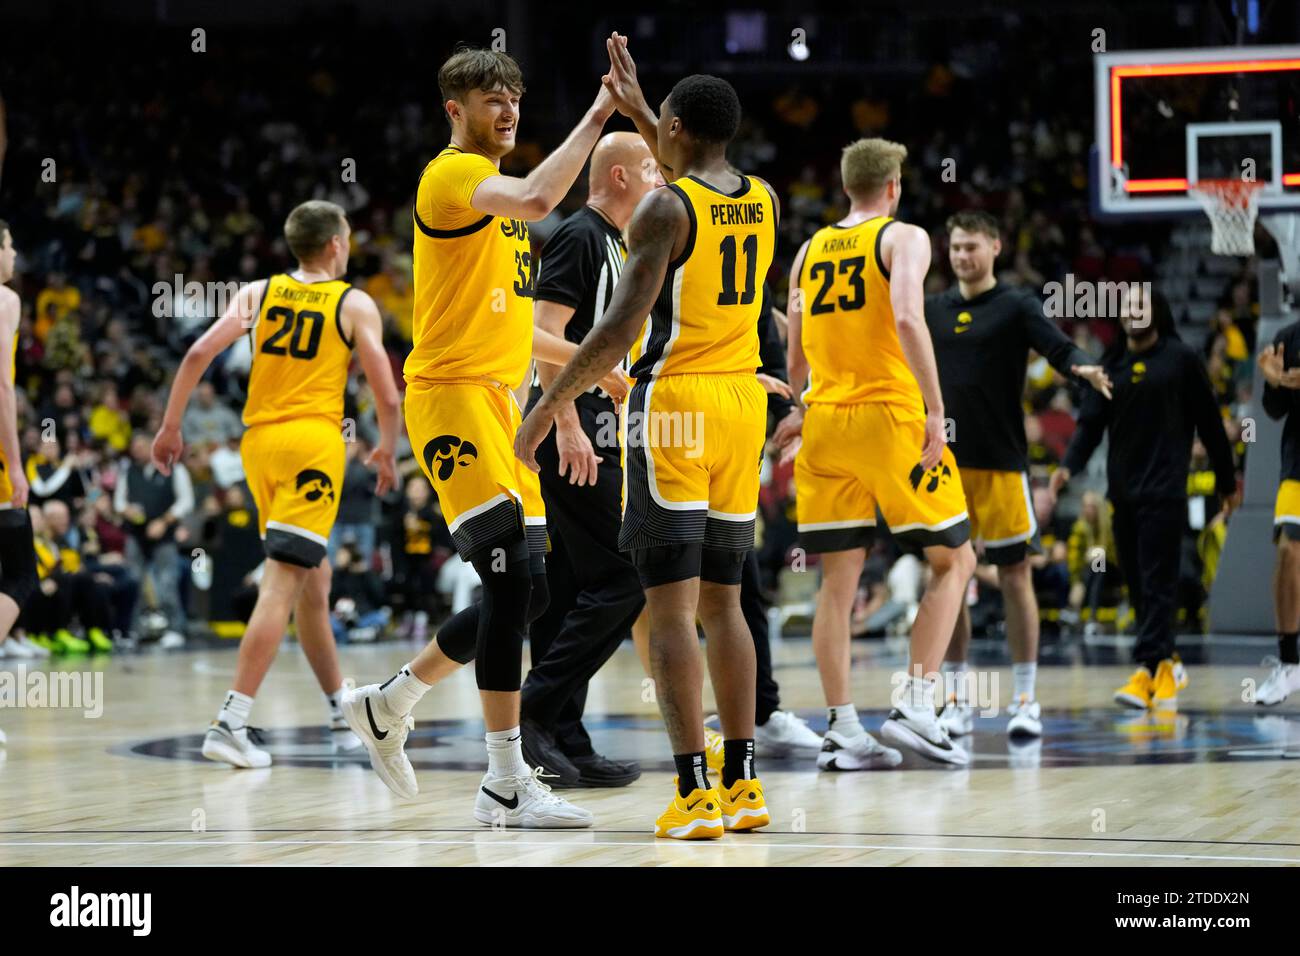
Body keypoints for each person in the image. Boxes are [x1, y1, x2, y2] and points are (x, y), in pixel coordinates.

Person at [341, 41, 627, 830]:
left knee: (530, 590)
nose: (506, 111)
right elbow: (541, 197)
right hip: (449, 398)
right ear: (455, 111)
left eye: (514, 99)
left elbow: (517, 334)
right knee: (509, 584)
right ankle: (504, 779)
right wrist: (601, 112)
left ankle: (390, 702)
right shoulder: (454, 176)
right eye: (490, 99)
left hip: (499, 404)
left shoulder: (501, 221)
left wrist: (594, 366)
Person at [518, 62, 779, 838]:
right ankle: (744, 782)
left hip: (674, 408)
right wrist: (637, 103)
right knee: (726, 602)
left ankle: (693, 791)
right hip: (741, 408)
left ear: (671, 132)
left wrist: (549, 408)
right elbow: (688, 174)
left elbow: (620, 329)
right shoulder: (760, 196)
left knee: (668, 607)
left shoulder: (662, 209)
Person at [151, 199, 401, 767]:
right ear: (336, 244)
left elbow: (196, 352)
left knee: (315, 581)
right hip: (312, 447)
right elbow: (387, 394)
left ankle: (342, 709)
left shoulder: (259, 293)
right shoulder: (354, 302)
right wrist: (386, 448)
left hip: (258, 447)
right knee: (284, 583)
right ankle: (230, 723)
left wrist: (170, 427)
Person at [775, 138, 975, 767]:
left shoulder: (808, 251)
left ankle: (842, 729)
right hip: (889, 419)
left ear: (845, 186)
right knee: (955, 560)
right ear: (893, 187)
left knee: (837, 585)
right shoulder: (904, 237)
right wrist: (936, 411)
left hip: (826, 423)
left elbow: (796, 347)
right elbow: (910, 320)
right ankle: (917, 705)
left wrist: (801, 409)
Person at [925, 210, 1111, 739]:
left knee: (1015, 576)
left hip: (1004, 464)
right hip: (945, 466)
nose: (962, 255)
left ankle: (1026, 699)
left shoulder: (1016, 305)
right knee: (949, 579)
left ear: (996, 246)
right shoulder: (932, 310)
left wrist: (1081, 366)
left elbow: (1056, 346)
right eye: (956, 247)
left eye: (972, 247)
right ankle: (957, 699)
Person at [1050, 287, 1235, 709]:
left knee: (1157, 583)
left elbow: (1209, 421)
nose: (1133, 312)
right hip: (1123, 494)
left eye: (1141, 305)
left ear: (1158, 310)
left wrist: (1226, 483)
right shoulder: (1111, 364)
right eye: (1128, 306)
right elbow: (1090, 425)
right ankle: (1167, 662)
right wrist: (1067, 467)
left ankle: (1147, 671)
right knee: (1137, 584)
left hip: (1166, 492)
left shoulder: (1181, 359)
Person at [0, 220, 41, 695]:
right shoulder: (6, 300)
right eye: (10, 244)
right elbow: (3, 386)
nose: (15, 253)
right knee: (20, 575)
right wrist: (14, 464)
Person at [1252, 326, 1300, 703]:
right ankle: (1289, 665)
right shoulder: (1289, 337)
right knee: (1287, 551)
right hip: (1297, 466)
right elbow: (1273, 411)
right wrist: (1274, 382)